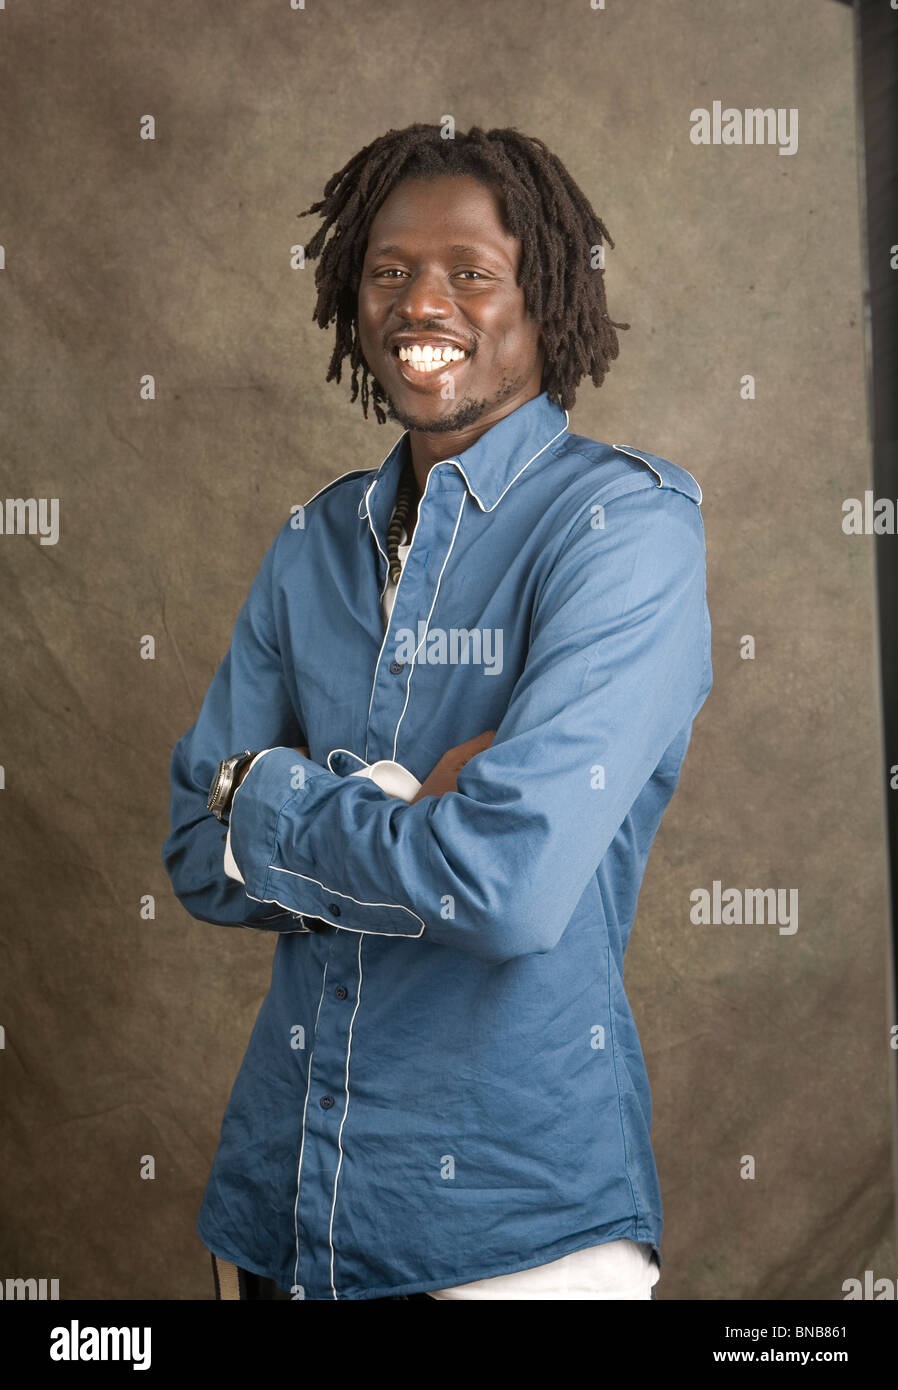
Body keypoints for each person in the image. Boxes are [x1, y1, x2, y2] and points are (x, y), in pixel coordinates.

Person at [162, 122, 712, 1301]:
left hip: (512, 1236)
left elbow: (507, 887)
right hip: (276, 1209)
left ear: (544, 299)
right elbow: (195, 855)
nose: (424, 302)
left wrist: (268, 798)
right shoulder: (310, 542)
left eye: (471, 271)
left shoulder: (626, 532)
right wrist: (407, 802)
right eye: (389, 270)